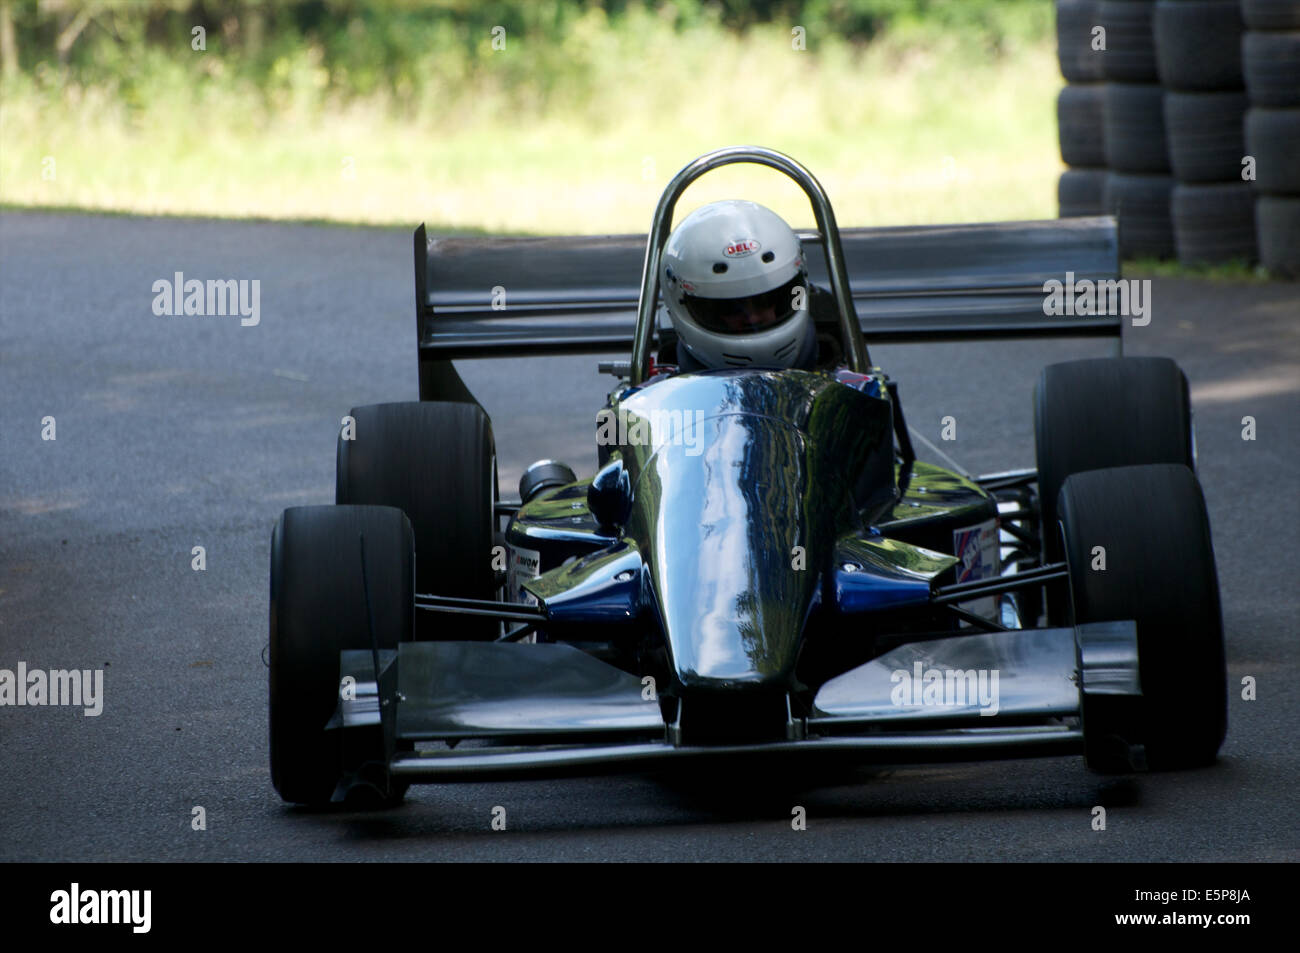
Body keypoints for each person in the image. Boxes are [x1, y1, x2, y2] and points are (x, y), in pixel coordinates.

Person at [660, 199, 840, 372]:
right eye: (730, 308)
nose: (753, 318)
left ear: (795, 293)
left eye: (767, 300)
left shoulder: (852, 386)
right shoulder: (656, 400)